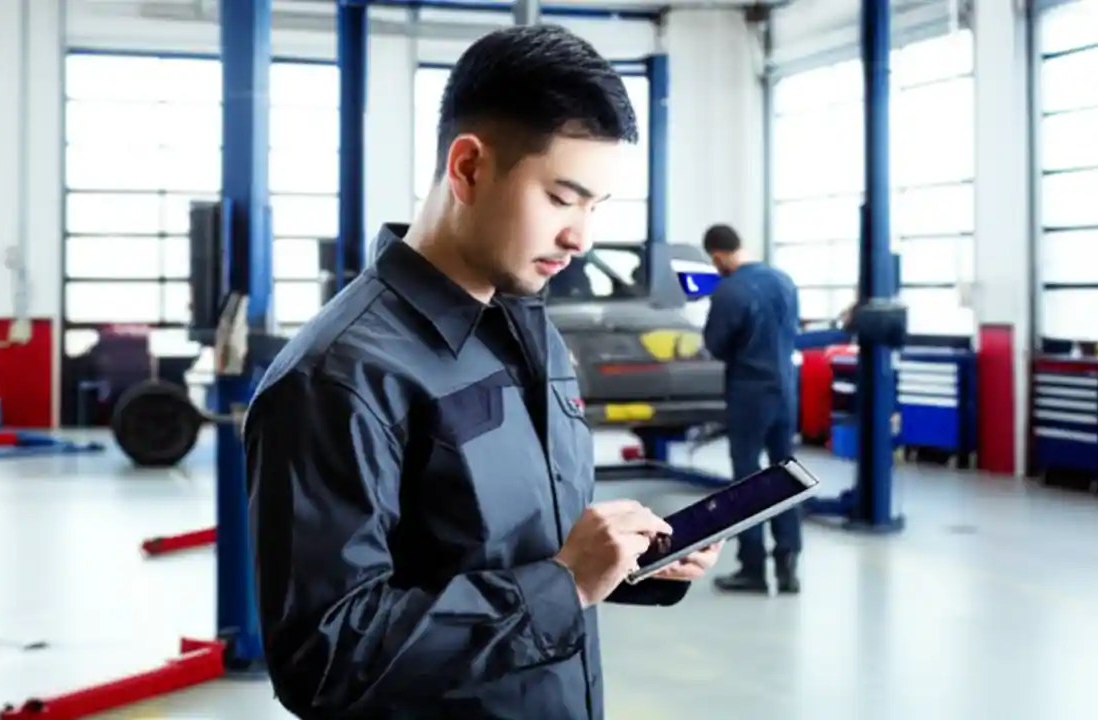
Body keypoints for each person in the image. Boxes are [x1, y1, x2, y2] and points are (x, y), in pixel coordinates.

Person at [244, 25, 720, 720]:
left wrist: (627, 562)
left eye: (595, 207)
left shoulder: (531, 328)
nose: (581, 237)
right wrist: (564, 586)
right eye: (562, 198)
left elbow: (524, 554)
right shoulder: (338, 377)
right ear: (467, 168)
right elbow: (324, 658)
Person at [700, 224, 803, 595]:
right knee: (785, 476)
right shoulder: (783, 280)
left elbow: (715, 344)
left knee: (747, 481)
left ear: (717, 256)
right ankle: (789, 566)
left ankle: (753, 568)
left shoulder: (729, 291)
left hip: (749, 392)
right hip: (786, 388)